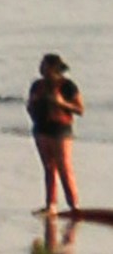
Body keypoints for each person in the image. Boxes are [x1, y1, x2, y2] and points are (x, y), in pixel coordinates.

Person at [29, 48, 85, 231]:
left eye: (45, 65)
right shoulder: (37, 86)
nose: (41, 69)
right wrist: (34, 104)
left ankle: (74, 205)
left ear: (53, 68)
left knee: (64, 166)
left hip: (61, 130)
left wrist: (61, 103)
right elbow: (30, 108)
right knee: (48, 167)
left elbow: (80, 109)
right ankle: (50, 204)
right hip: (42, 129)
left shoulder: (68, 86)